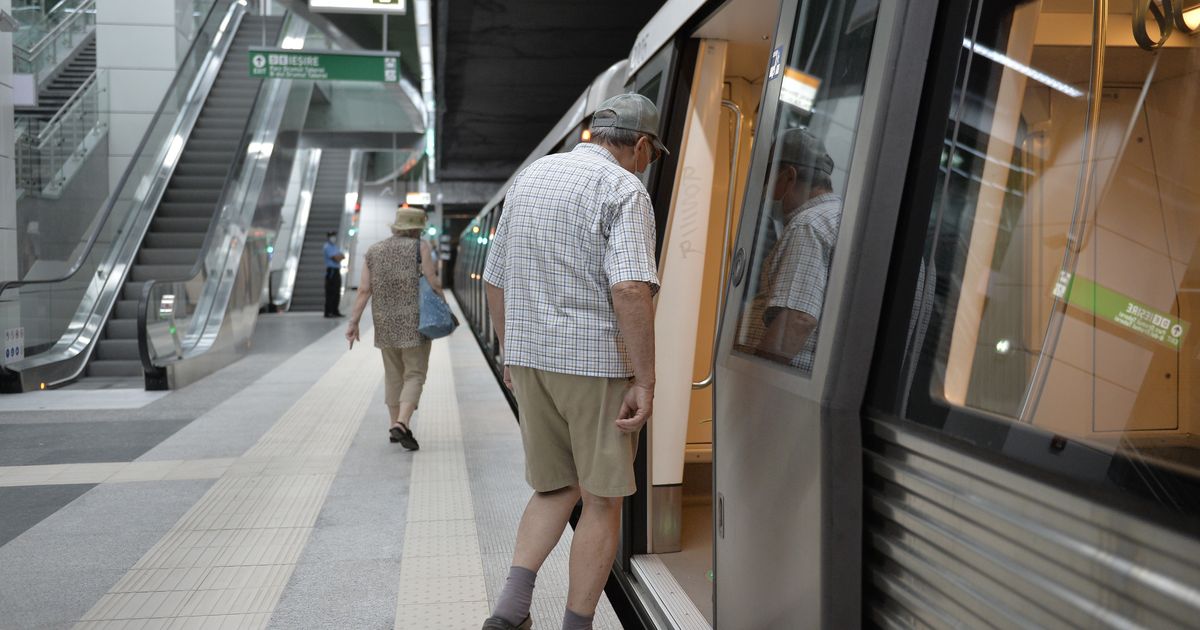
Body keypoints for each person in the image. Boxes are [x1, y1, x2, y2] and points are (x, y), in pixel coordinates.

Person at [481, 93, 665, 630]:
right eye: (653, 155)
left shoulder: (533, 177)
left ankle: (510, 610)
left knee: (554, 488)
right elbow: (630, 288)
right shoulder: (624, 189)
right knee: (603, 502)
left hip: (532, 362)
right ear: (643, 146)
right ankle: (577, 625)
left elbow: (496, 279)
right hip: (595, 367)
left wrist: (510, 351)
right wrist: (646, 381)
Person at [742, 128, 842, 373]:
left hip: (778, 384)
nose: (765, 192)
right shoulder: (837, 217)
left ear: (789, 176)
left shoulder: (809, 225)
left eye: (768, 181)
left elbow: (798, 319)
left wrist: (754, 380)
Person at [345, 207, 444, 450]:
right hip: (416, 323)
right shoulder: (419, 247)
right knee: (415, 374)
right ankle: (401, 423)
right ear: (416, 228)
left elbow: (364, 290)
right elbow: (432, 281)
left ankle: (393, 426)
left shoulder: (373, 251)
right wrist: (444, 306)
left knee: (393, 375)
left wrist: (353, 323)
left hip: (385, 323)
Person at [324, 231, 346, 318]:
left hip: (337, 270)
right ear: (329, 237)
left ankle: (335, 310)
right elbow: (336, 258)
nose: (334, 238)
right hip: (331, 271)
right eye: (332, 236)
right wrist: (338, 256)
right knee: (330, 292)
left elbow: (343, 256)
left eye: (334, 236)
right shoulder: (327, 247)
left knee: (337, 292)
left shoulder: (334, 247)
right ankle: (328, 311)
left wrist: (339, 256)